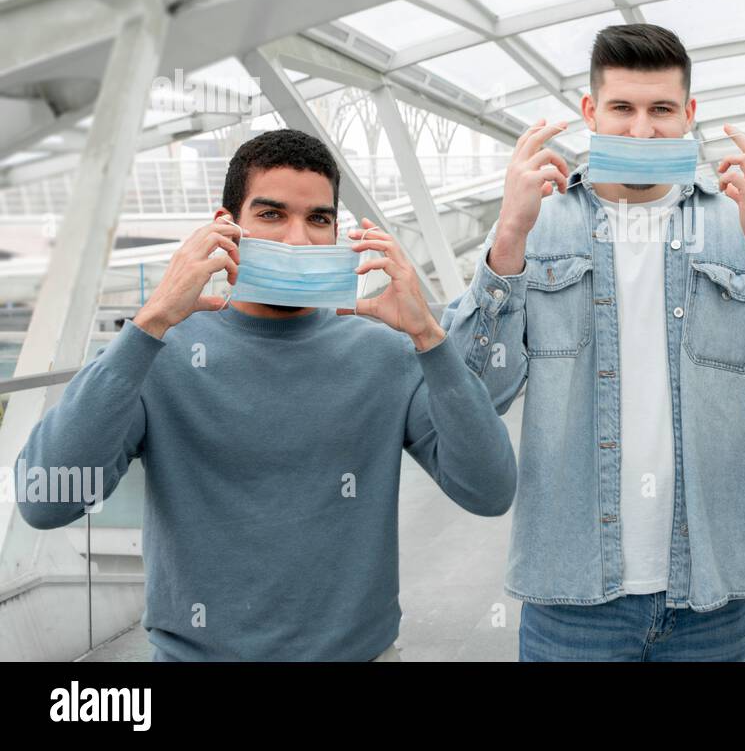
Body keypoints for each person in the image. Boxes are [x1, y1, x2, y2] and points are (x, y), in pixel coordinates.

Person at [15, 129, 517, 661]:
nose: (297, 240)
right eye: (272, 215)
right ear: (225, 227)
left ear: (337, 233)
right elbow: (44, 501)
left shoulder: (386, 354)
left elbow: (488, 491)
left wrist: (430, 340)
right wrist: (152, 320)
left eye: (318, 219)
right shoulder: (159, 353)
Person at [442, 23, 745, 661]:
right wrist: (509, 235)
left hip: (707, 599)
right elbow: (474, 392)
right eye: (622, 109)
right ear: (590, 113)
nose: (640, 130)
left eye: (661, 111)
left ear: (689, 115)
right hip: (572, 598)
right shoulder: (537, 226)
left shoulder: (737, 227)